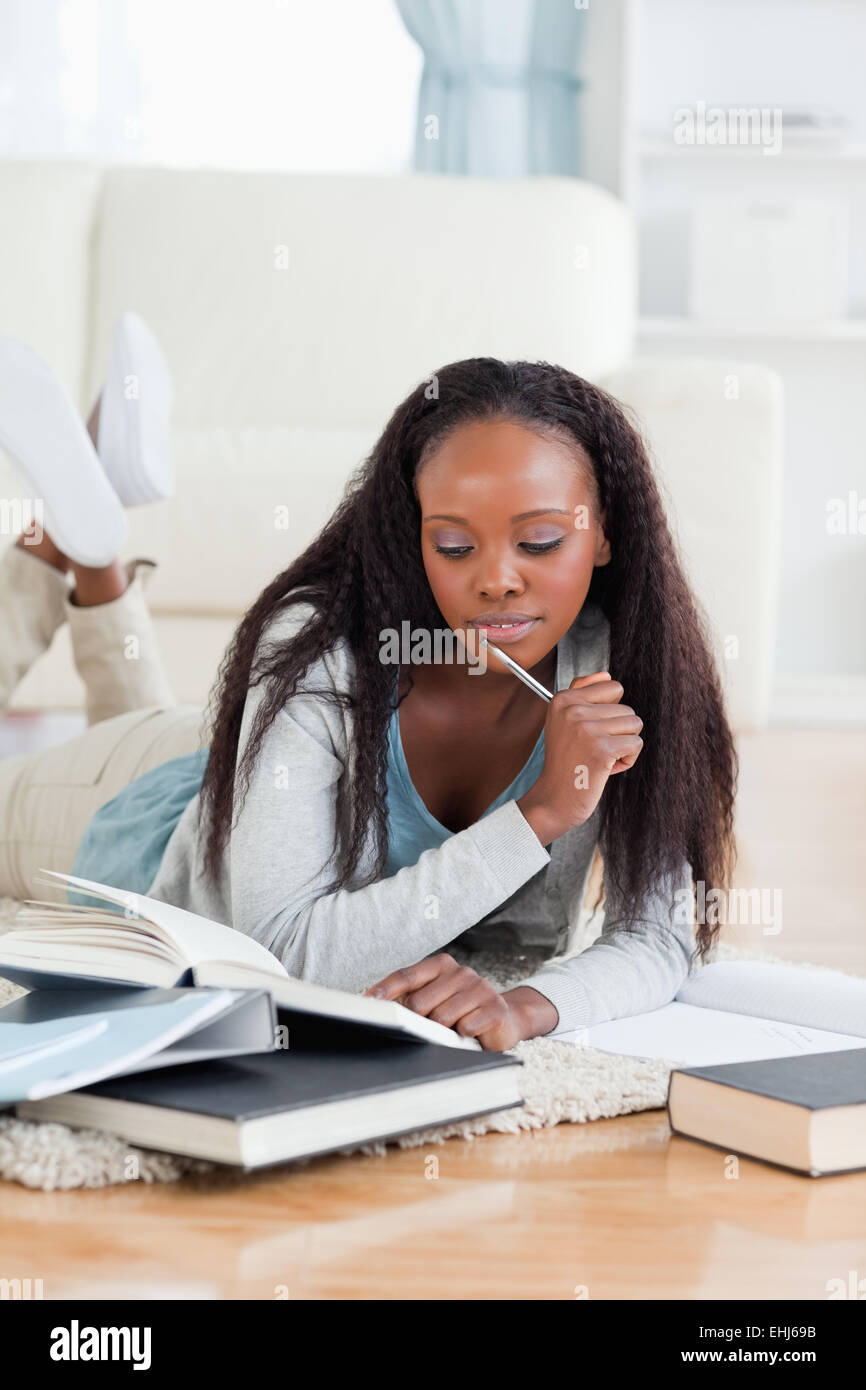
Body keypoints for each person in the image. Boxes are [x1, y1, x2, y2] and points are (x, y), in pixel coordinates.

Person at [0, 334, 737, 1052]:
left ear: (604, 534)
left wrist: (527, 1004)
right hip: (132, 807)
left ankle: (90, 546)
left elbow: (658, 934)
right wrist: (539, 814)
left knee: (151, 715)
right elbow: (286, 953)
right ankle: (62, 547)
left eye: (540, 541)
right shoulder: (319, 648)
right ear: (412, 536)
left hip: (245, 764)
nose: (496, 579)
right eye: (454, 546)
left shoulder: (628, 665)